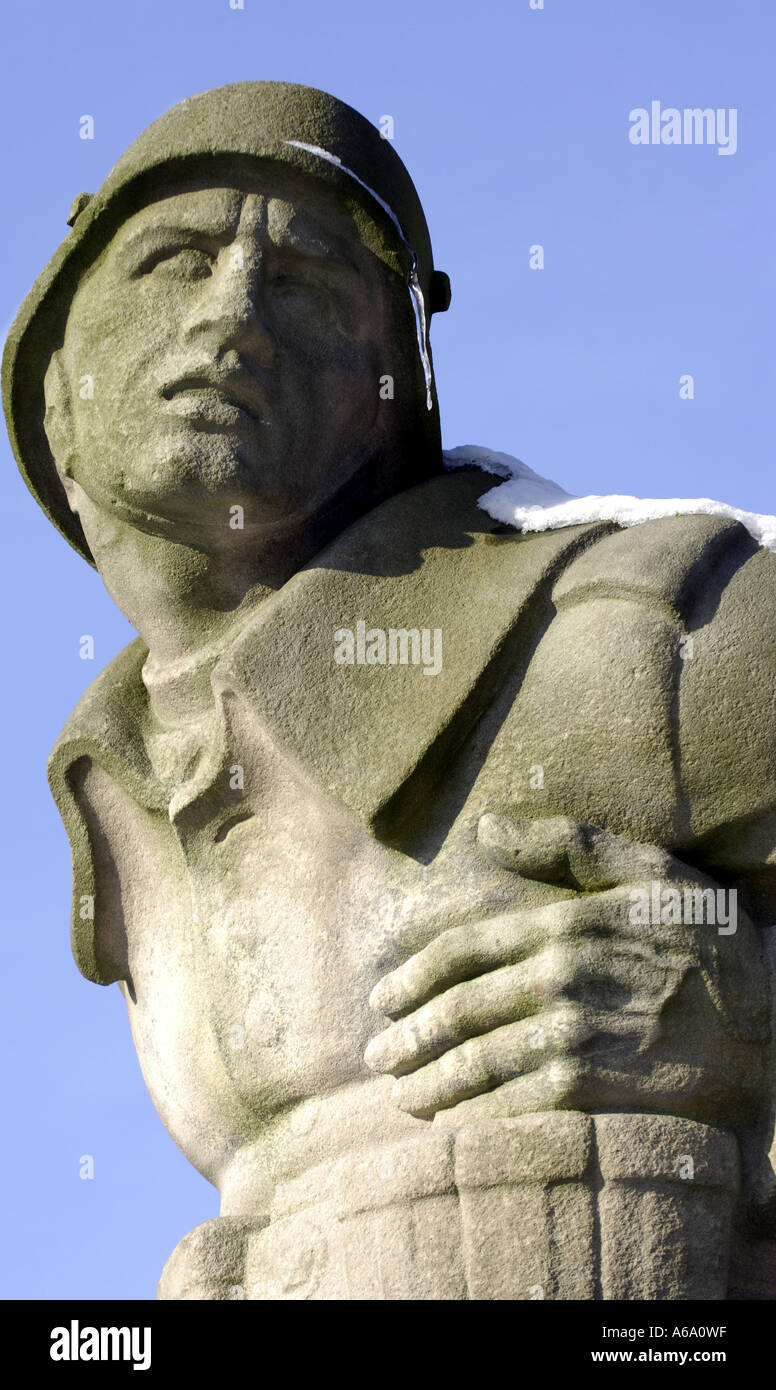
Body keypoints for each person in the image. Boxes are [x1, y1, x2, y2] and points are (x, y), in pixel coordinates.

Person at [4, 80, 775, 1300]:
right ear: (49, 382)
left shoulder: (644, 617)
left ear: (393, 394)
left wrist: (747, 1012)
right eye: (174, 260)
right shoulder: (126, 789)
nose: (237, 314)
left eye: (308, 282)